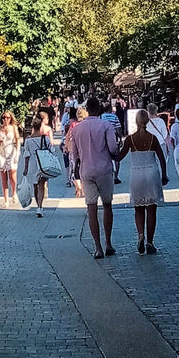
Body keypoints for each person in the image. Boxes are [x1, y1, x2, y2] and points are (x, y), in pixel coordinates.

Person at [69, 96, 118, 258]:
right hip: (104, 169)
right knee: (107, 206)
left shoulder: (77, 129)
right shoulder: (106, 126)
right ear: (99, 109)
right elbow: (112, 148)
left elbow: (74, 154)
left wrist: (76, 169)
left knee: (91, 208)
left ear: (87, 110)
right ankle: (108, 243)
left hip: (86, 170)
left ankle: (97, 247)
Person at [119, 110, 168, 253]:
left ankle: (140, 235)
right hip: (152, 173)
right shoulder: (153, 138)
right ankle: (150, 243)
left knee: (138, 208)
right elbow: (162, 159)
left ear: (136, 121)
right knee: (152, 210)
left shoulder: (130, 139)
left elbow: (119, 157)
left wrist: (107, 152)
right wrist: (164, 175)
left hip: (136, 174)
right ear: (147, 121)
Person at [19, 112, 55, 218]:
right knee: (42, 185)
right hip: (43, 164)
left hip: (32, 164)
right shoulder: (45, 139)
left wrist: (25, 168)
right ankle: (40, 206)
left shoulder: (28, 141)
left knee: (35, 185)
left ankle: (37, 205)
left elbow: (26, 155)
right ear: (40, 127)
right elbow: (52, 150)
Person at [0, 111, 22, 209]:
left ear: (11, 118)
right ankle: (6, 200)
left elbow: (17, 141)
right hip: (2, 153)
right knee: (3, 178)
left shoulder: (14, 128)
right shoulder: (0, 128)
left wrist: (17, 154)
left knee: (12, 176)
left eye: (7, 117)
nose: (5, 119)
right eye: (3, 117)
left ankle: (14, 192)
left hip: (11, 151)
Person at [67, 104, 89, 198]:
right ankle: (83, 189)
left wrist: (66, 147)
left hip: (73, 149)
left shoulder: (73, 125)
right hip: (85, 149)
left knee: (75, 169)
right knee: (84, 169)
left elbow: (68, 136)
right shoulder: (87, 124)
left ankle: (79, 188)